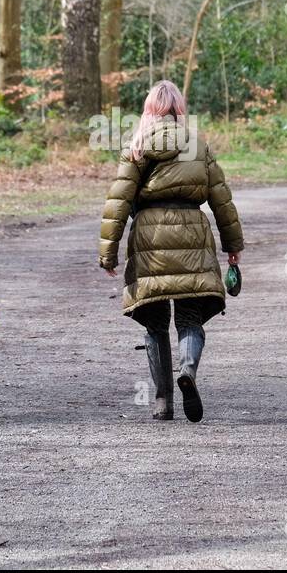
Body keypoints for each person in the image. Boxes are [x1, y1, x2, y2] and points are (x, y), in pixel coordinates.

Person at [98, 80, 244, 422]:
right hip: (193, 233)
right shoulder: (198, 147)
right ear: (180, 110)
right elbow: (222, 201)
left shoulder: (136, 147)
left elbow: (117, 202)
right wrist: (232, 248)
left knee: (155, 324)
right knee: (190, 318)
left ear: (149, 110)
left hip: (150, 238)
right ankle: (188, 371)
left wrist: (109, 253)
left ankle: (163, 401)